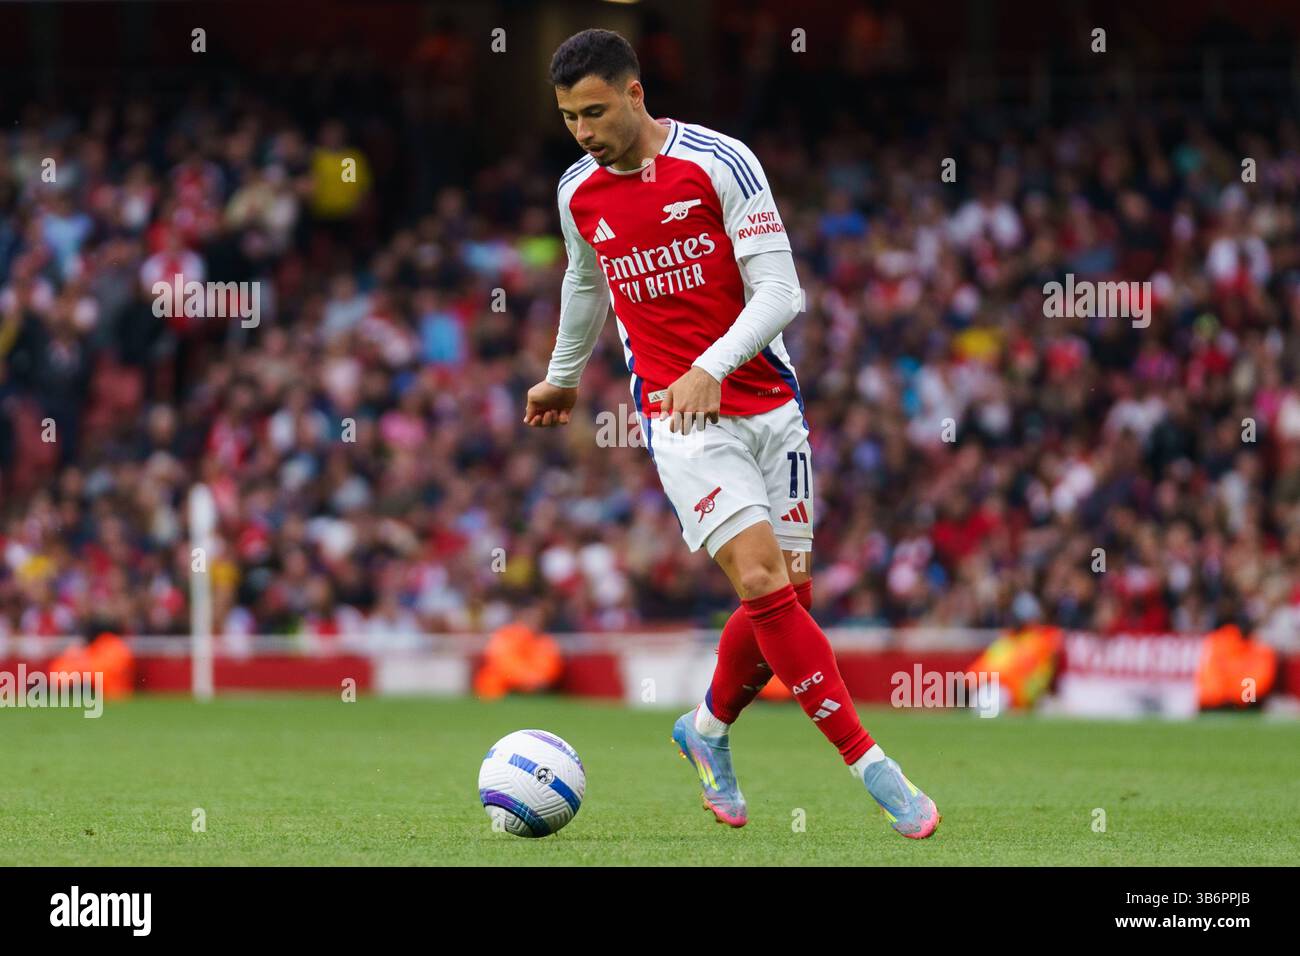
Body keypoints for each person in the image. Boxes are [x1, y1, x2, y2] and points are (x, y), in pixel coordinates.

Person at [523, 29, 939, 838]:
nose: (582, 132)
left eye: (595, 112)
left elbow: (782, 291)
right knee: (759, 579)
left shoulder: (719, 162)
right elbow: (584, 279)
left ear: (636, 94)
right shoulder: (578, 192)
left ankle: (706, 728)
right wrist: (564, 374)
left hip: (769, 406)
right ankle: (873, 767)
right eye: (569, 117)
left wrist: (712, 365)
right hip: (680, 419)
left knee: (788, 600)